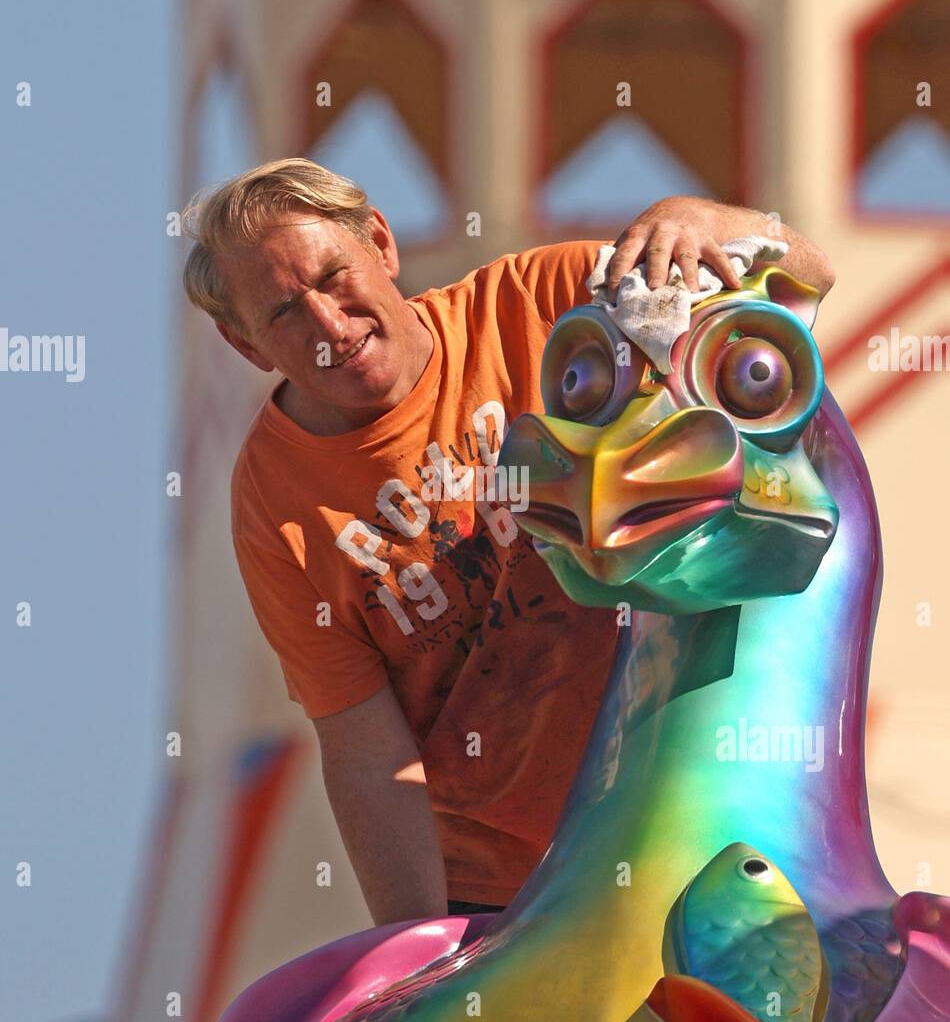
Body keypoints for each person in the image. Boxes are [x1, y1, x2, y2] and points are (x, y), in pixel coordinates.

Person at [181, 158, 835, 926]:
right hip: (500, 896)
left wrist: (702, 218)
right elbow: (362, 742)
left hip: (692, 821)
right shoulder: (273, 500)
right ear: (245, 344)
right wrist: (415, 948)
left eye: (333, 276)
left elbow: (807, 275)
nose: (329, 325)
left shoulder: (548, 299)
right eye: (284, 313)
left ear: (382, 245)